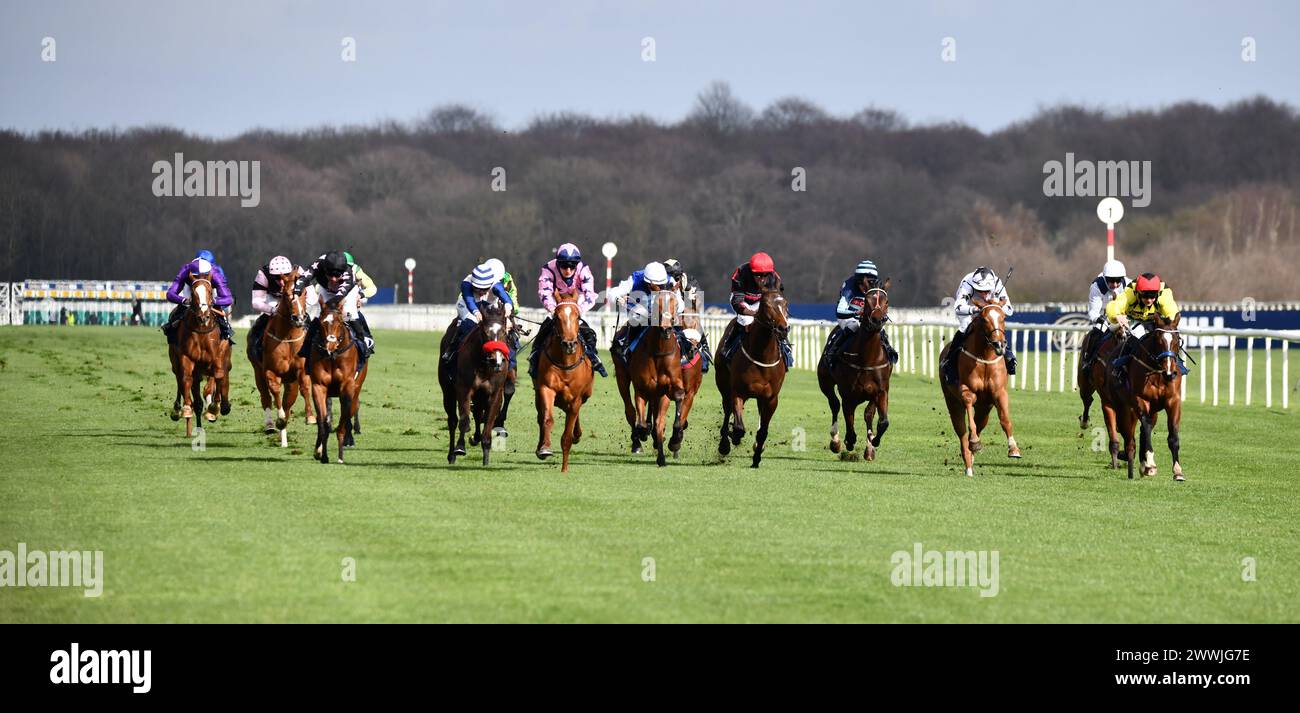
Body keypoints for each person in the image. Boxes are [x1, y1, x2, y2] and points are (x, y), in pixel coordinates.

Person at [529, 243, 606, 377]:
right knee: (545, 328)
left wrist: (578, 309)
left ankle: (594, 357)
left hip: (577, 303)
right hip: (556, 303)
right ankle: (534, 357)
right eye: (564, 266)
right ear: (558, 263)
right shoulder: (548, 269)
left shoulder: (583, 270)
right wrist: (554, 309)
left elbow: (590, 295)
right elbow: (544, 293)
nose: (568, 270)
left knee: (588, 332)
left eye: (572, 266)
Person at [607, 261, 695, 364]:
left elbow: (680, 304)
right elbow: (612, 292)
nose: (660, 288)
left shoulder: (669, 280)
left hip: (662, 316)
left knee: (676, 324)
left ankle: (686, 349)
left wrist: (669, 310)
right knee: (630, 328)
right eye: (657, 286)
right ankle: (623, 352)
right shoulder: (635, 278)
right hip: (640, 314)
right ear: (649, 283)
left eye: (661, 285)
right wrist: (617, 298)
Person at [941, 266, 1016, 385]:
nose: (984, 294)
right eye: (980, 291)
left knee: (995, 326)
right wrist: (974, 309)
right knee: (965, 326)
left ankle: (1009, 356)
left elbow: (1009, 310)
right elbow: (958, 307)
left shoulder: (997, 283)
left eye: (987, 291)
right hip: (970, 308)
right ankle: (949, 362)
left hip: (990, 309)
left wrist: (995, 307)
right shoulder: (967, 283)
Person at [717, 252, 793, 367]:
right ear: (752, 272)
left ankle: (786, 349)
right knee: (745, 320)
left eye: (765, 275)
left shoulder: (774, 277)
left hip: (762, 301)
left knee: (778, 322)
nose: (762, 279)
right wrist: (753, 313)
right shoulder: (741, 274)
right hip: (743, 301)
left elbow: (778, 298)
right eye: (758, 275)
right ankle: (728, 347)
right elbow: (737, 302)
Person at [294, 250, 371, 362]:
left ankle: (362, 344)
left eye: (337, 276)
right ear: (325, 270)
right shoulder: (319, 264)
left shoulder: (348, 275)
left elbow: (339, 296)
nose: (334, 279)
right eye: (330, 275)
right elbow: (305, 277)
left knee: (349, 314)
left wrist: (327, 309)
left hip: (345, 294)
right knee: (317, 317)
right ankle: (305, 348)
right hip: (326, 289)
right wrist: (296, 292)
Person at [821, 259, 898, 368]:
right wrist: (857, 313)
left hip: (867, 318)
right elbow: (840, 310)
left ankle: (889, 351)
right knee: (854, 326)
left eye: (868, 283)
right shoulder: (849, 286)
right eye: (861, 283)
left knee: (880, 330)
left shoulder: (876, 289)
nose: (864, 287)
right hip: (848, 317)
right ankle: (832, 352)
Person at [1106, 272, 1182, 380]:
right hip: (1132, 319)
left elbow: (1172, 312)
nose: (1149, 300)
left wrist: (1171, 325)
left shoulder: (1164, 293)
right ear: (1138, 293)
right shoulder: (1130, 292)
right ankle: (1120, 369)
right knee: (1137, 337)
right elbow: (1114, 305)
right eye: (1145, 296)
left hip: (1155, 320)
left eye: (1152, 297)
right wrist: (1117, 315)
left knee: (1168, 339)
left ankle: (1175, 366)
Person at [442, 258, 516, 367]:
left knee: (501, 326)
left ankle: (509, 359)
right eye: (478, 289)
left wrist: (508, 308)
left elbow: (506, 298)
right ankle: (452, 350)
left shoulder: (496, 285)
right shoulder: (466, 284)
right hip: (467, 306)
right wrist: (476, 313)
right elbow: (469, 301)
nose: (481, 293)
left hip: (488, 305)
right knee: (470, 323)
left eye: (484, 289)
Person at [248, 255, 318, 361]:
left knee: (309, 323)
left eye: (285, 275)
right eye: (277, 278)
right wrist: (273, 310)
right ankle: (256, 348)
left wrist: (298, 308)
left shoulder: (299, 272)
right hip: (273, 299)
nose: (281, 282)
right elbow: (256, 302)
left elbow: (313, 297)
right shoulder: (263, 274)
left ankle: (312, 351)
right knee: (259, 325)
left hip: (296, 300)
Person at [162, 256, 235, 344]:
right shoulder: (185, 270)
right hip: (191, 291)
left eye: (204, 276)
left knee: (221, 317)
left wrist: (213, 301)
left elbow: (228, 299)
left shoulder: (215, 274)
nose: (201, 278)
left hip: (210, 293)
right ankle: (172, 336)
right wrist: (184, 300)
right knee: (178, 312)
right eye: (196, 276)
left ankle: (226, 332)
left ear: (209, 273)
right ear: (191, 273)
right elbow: (170, 294)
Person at [663, 258, 712, 372]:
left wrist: (692, 298)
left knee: (691, 319)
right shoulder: (660, 283)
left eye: (675, 277)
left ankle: (704, 350)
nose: (673, 281)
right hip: (666, 317)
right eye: (668, 277)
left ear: (680, 276)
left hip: (683, 318)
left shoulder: (689, 281)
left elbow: (698, 305)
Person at [1080, 259, 1129, 371]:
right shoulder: (1097, 286)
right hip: (1104, 317)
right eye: (1111, 281)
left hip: (1122, 316)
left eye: (1118, 281)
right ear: (1105, 278)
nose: (1115, 285)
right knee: (1096, 333)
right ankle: (1088, 361)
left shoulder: (1129, 284)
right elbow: (1093, 312)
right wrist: (1100, 319)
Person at [344, 251, 378, 354]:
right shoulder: (330, 272)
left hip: (352, 312)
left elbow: (372, 288)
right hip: (333, 312)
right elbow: (318, 288)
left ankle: (366, 347)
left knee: (367, 342)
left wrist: (360, 295)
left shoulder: (356, 270)